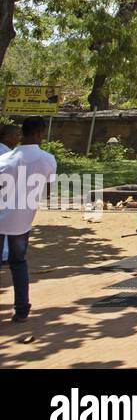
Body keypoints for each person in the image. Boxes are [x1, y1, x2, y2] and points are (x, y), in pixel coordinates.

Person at [0, 117, 57, 323]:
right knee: (18, 263)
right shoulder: (48, 159)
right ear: (40, 132)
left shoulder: (5, 159)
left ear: (22, 133)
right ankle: (22, 310)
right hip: (21, 221)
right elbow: (48, 191)